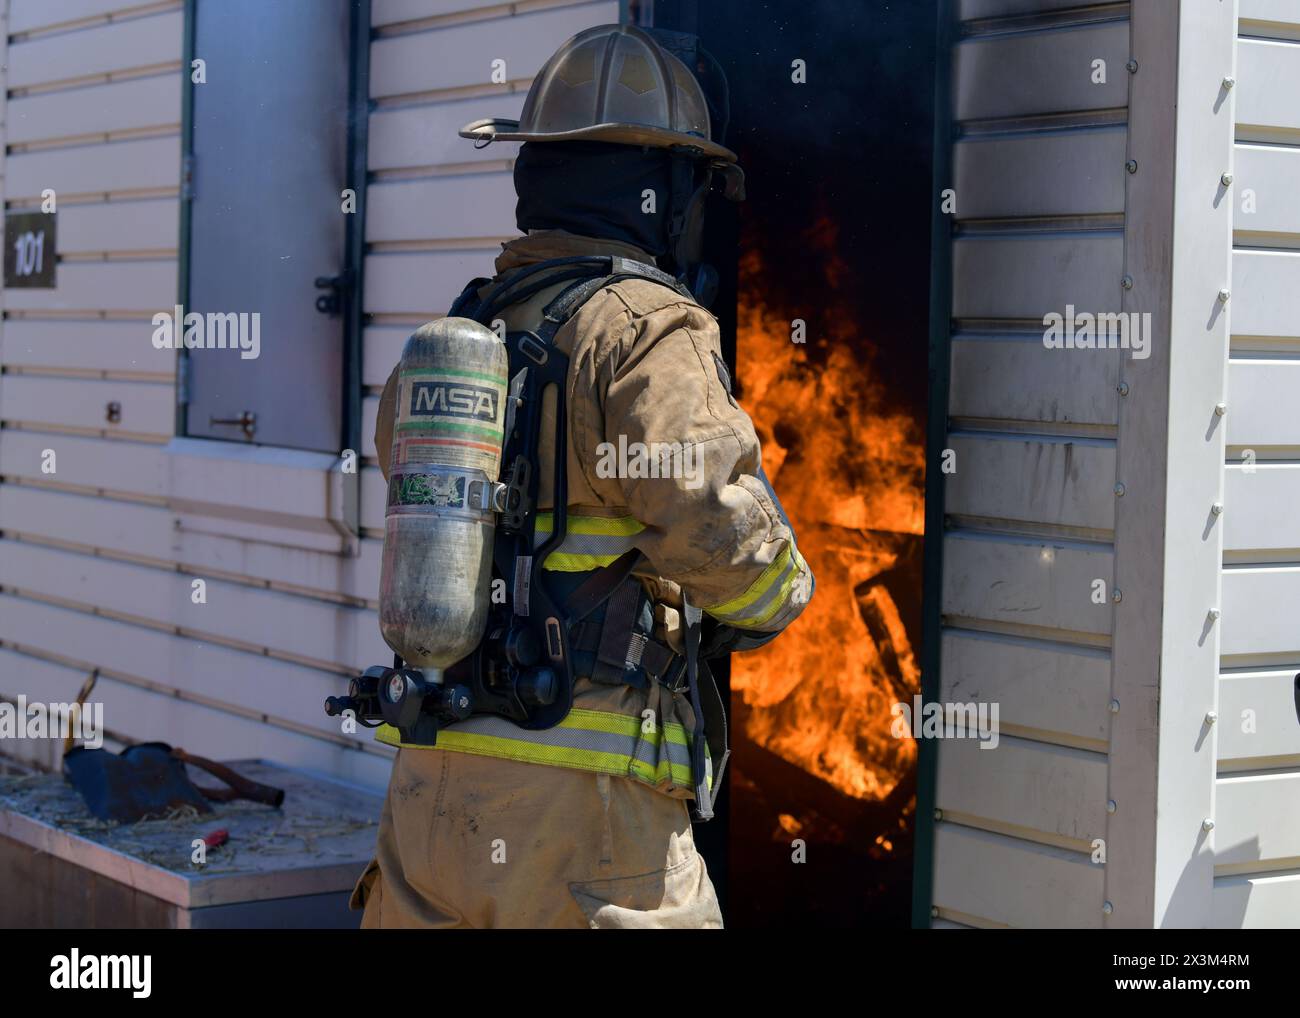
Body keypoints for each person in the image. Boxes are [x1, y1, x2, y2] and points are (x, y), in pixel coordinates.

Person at [350, 23, 813, 929]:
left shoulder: (460, 340)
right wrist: (778, 594)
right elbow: (715, 520)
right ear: (663, 190)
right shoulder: (644, 329)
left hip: (431, 784)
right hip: (579, 823)